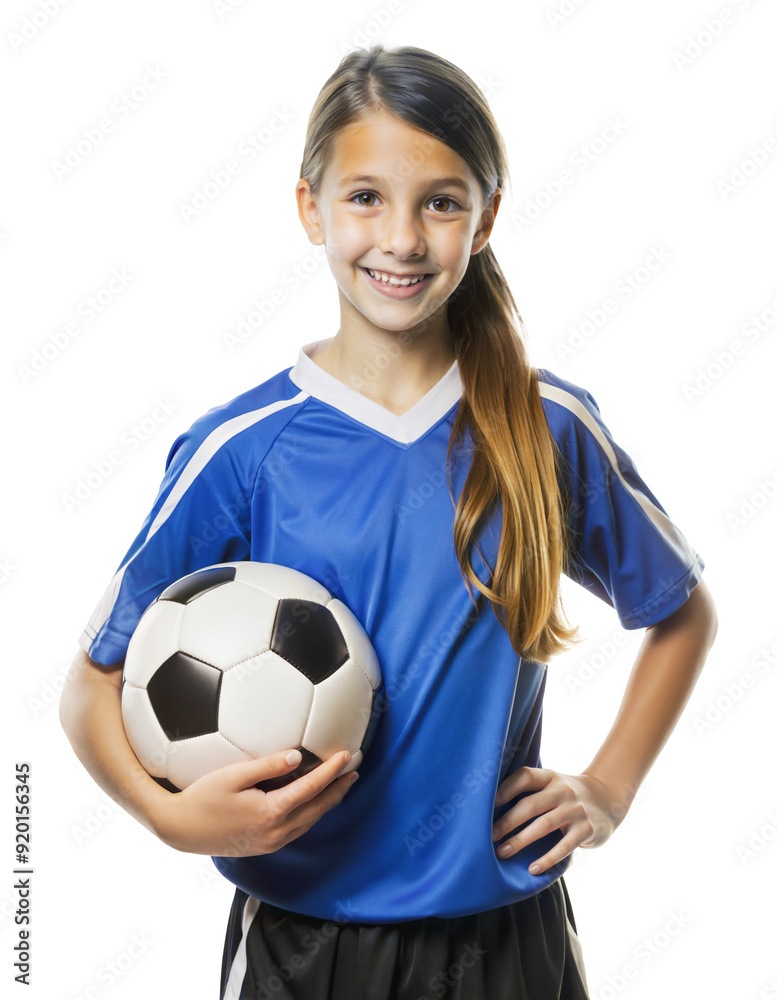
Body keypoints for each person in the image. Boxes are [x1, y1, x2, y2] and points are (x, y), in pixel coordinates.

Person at [59, 43, 718, 1000]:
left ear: (485, 218)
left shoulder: (544, 429)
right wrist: (172, 822)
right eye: (365, 197)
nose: (401, 238)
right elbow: (89, 685)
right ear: (309, 208)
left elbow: (681, 612)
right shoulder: (242, 450)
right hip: (302, 946)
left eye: (440, 202)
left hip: (508, 941)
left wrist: (607, 788)